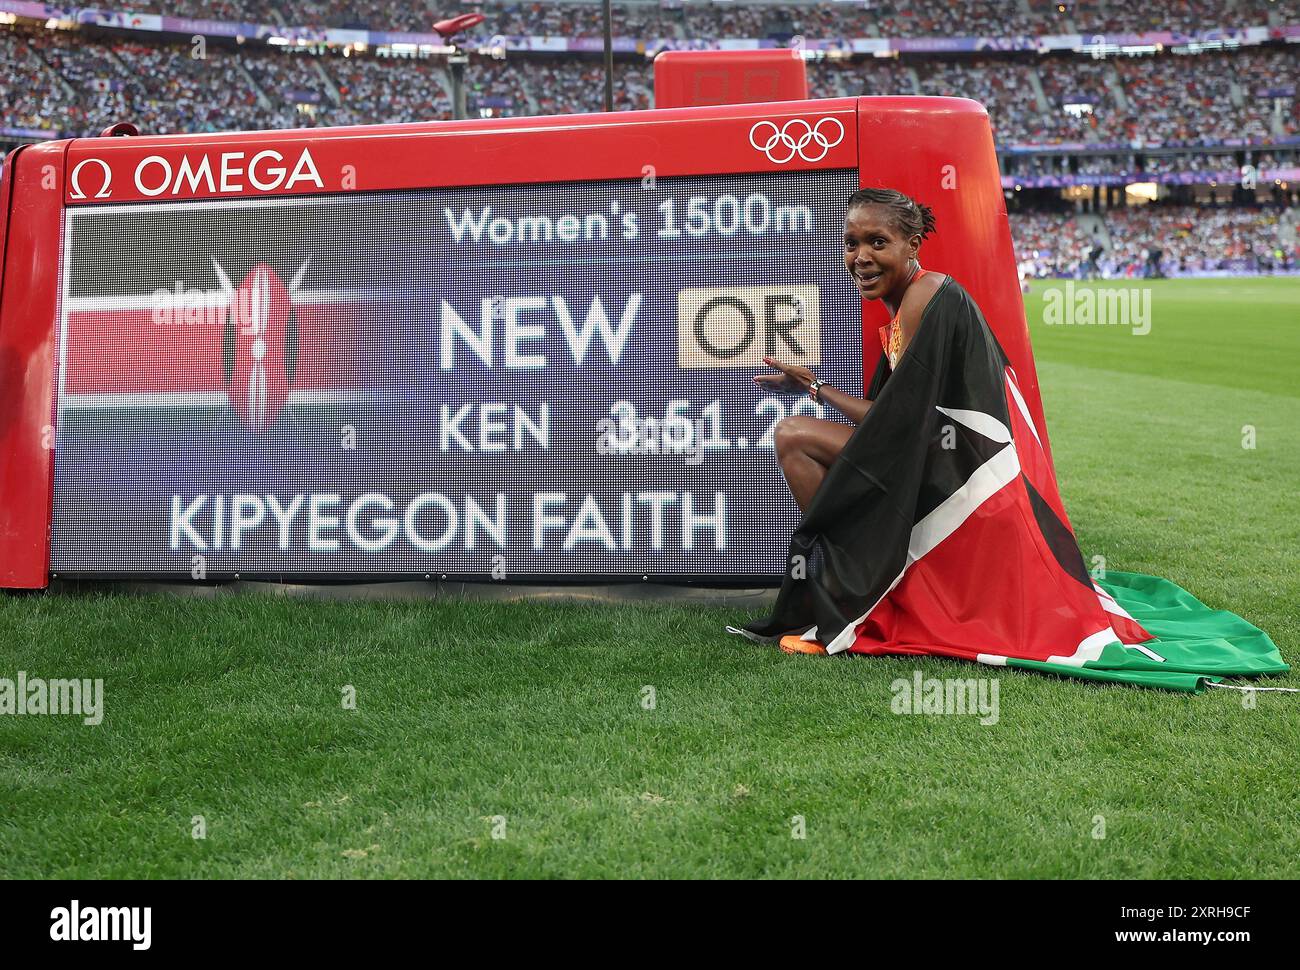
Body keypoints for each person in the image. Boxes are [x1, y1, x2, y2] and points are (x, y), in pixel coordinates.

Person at [754, 188, 946, 515]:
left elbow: (896, 422)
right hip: (938, 453)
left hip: (953, 464)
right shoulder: (911, 302)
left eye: (878, 242)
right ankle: (849, 559)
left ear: (913, 246)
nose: (861, 257)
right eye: (851, 243)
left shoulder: (922, 294)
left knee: (792, 434)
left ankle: (849, 562)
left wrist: (815, 387)